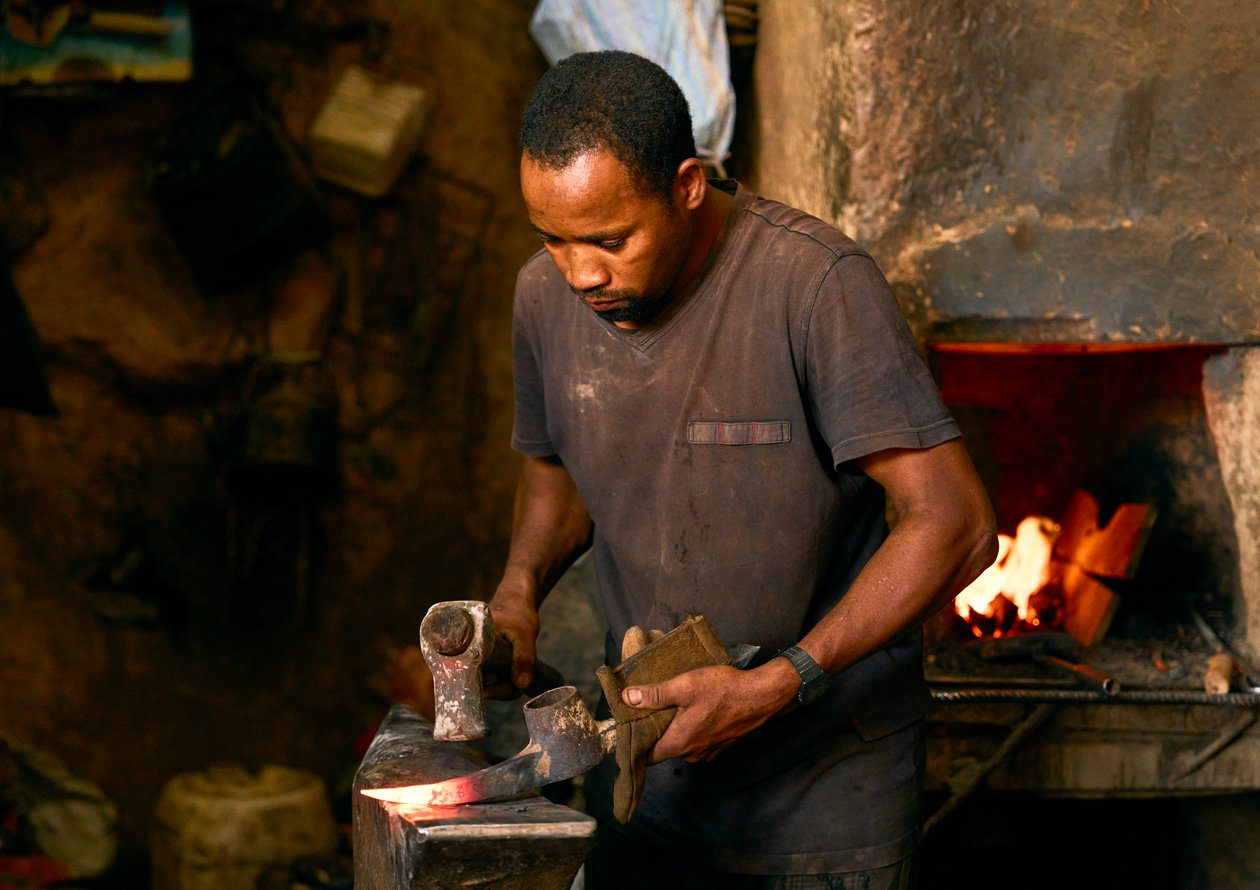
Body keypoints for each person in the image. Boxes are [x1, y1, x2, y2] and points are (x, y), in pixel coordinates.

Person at [487, 49, 998, 889]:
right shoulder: (542, 298)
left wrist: (781, 683)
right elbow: (561, 471)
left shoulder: (815, 285)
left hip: (822, 809)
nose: (581, 273)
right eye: (553, 239)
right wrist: (518, 590)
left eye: (611, 240)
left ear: (688, 186)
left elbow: (957, 522)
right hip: (650, 788)